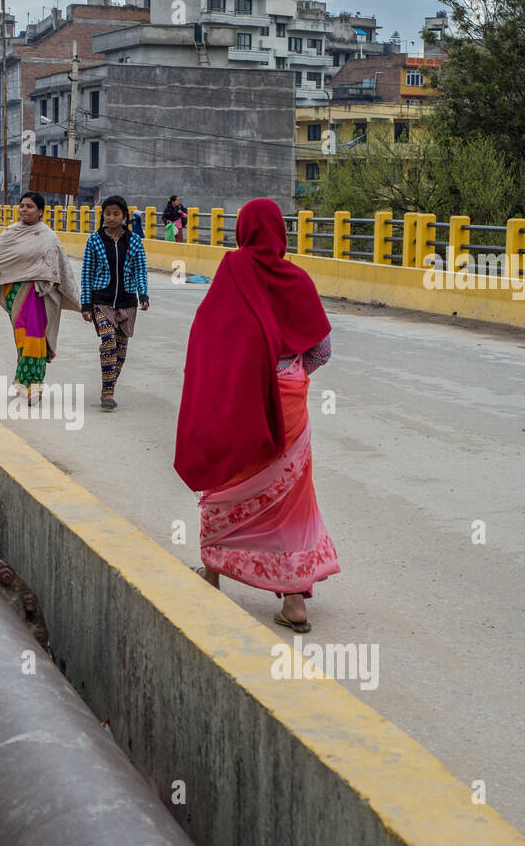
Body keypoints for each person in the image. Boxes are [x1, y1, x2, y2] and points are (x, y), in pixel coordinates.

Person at [174, 198, 338, 633]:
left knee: (228, 479)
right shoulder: (297, 278)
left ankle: (212, 572)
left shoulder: (233, 270)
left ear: (243, 230)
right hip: (291, 401)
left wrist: (232, 377)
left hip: (240, 398)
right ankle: (294, 603)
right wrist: (287, 373)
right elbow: (321, 349)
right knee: (287, 496)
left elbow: (210, 334)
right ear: (281, 233)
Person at [0, 192, 81, 404]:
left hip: (40, 294)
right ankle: (23, 381)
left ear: (40, 211)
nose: (24, 209)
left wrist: (79, 301)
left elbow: (61, 269)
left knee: (35, 337)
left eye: (29, 206)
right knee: (23, 340)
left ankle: (33, 386)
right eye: (22, 205)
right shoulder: (9, 235)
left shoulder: (48, 236)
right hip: (15, 294)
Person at [80, 195, 149, 411]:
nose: (111, 217)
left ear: (124, 216)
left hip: (127, 301)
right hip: (102, 300)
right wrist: (86, 304)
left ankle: (109, 385)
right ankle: (107, 392)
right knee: (108, 342)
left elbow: (140, 270)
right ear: (103, 216)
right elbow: (87, 273)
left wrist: (143, 294)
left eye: (116, 214)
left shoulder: (135, 241)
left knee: (120, 352)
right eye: (107, 213)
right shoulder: (94, 240)